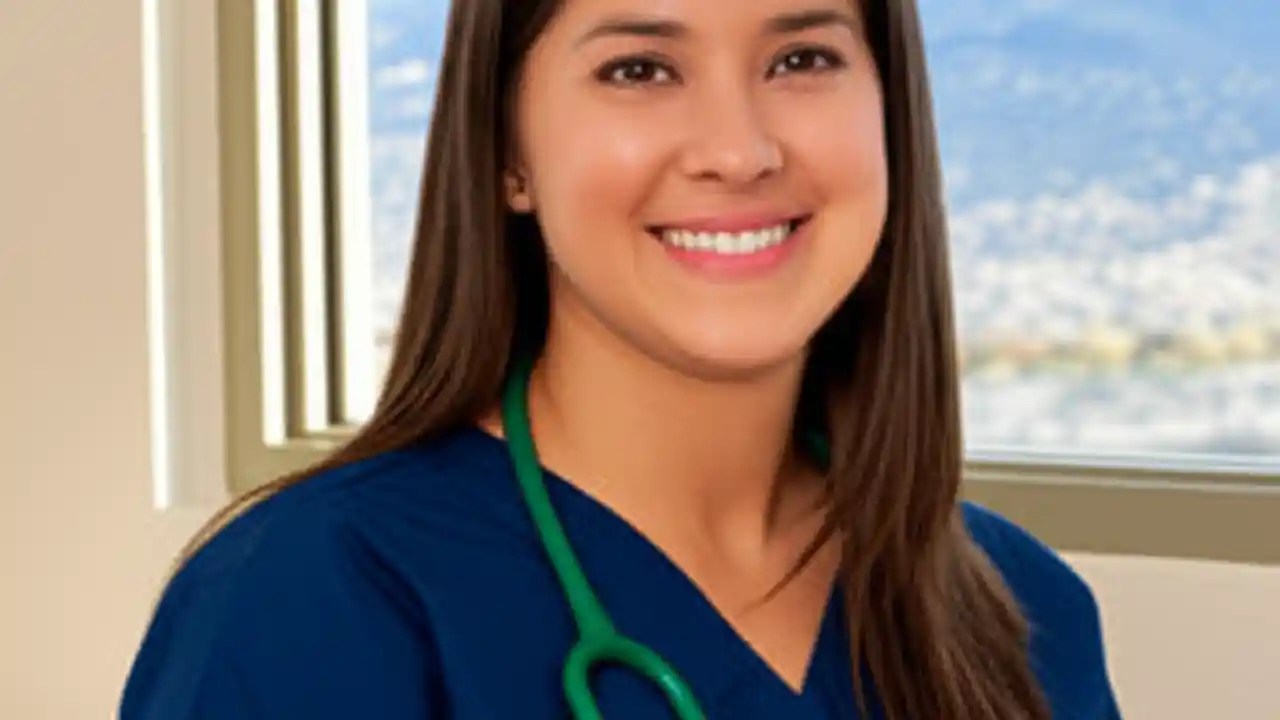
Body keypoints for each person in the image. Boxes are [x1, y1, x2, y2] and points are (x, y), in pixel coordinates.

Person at [120, 0, 1123, 717]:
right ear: (507, 152)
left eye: (800, 58)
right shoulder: (312, 596)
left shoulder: (1018, 606)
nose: (737, 150)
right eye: (638, 68)